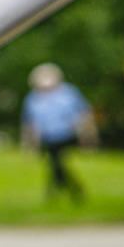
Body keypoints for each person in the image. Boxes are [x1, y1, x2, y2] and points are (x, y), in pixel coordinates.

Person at [21, 63, 98, 202]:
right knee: (56, 163)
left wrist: (88, 137)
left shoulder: (68, 93)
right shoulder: (33, 98)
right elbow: (30, 123)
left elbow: (83, 114)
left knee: (55, 162)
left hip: (67, 134)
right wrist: (31, 145)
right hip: (48, 137)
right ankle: (70, 190)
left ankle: (56, 192)